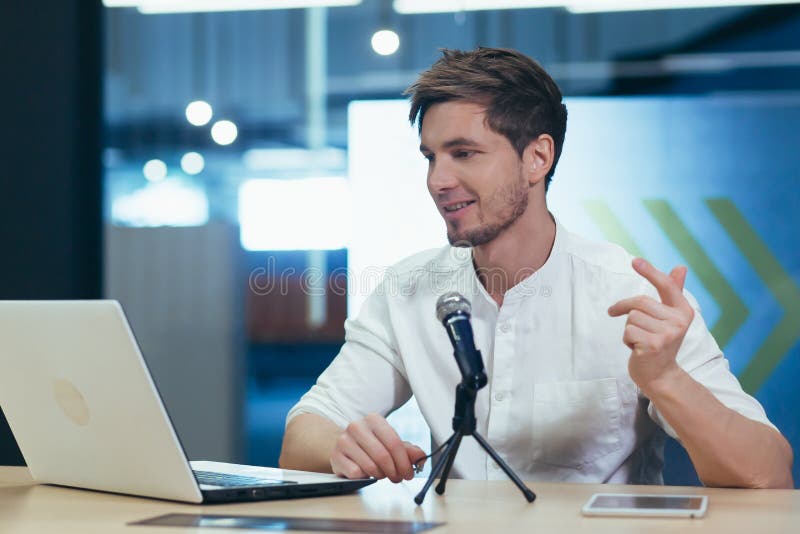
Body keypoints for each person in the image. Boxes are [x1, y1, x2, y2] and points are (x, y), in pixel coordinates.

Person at [279, 47, 793, 487]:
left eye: (464, 153)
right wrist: (341, 447)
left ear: (538, 158)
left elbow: (768, 473)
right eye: (431, 157)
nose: (438, 180)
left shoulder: (632, 296)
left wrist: (667, 380)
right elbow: (303, 435)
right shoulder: (407, 291)